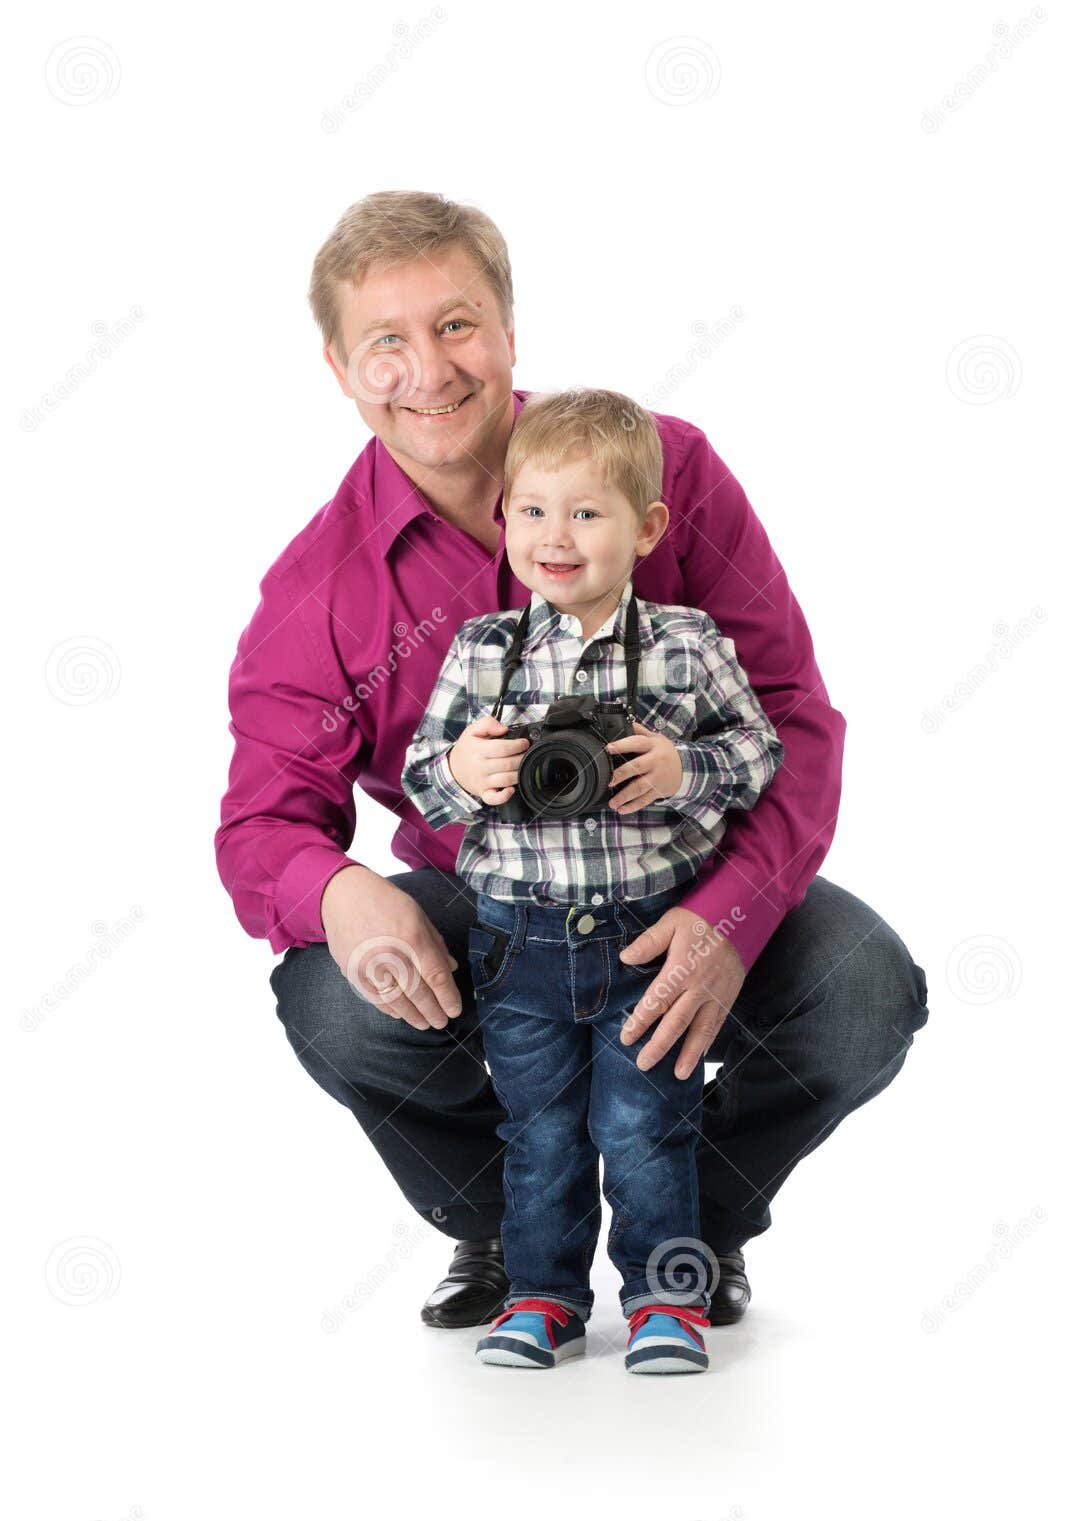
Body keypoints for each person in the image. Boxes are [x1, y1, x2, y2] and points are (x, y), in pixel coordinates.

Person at [214, 190, 930, 1335]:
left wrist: (729, 915)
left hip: (678, 869)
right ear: (339, 367)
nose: (429, 370)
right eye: (384, 342)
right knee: (331, 999)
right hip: (491, 897)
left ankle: (689, 1231)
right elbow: (259, 826)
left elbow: (790, 718)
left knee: (859, 990)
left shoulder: (668, 472)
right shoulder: (321, 590)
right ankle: (510, 1235)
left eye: (455, 325)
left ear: (506, 330)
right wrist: (338, 893)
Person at [400, 388, 784, 1372]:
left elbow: (757, 753)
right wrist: (463, 776)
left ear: (645, 526)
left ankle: (666, 1302)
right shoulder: (482, 652)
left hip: (644, 933)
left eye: (585, 512)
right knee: (538, 1133)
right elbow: (418, 785)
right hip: (514, 939)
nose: (554, 536)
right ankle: (543, 1298)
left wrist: (677, 770)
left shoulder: (687, 644)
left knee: (647, 1124)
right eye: (531, 510)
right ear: (503, 521)